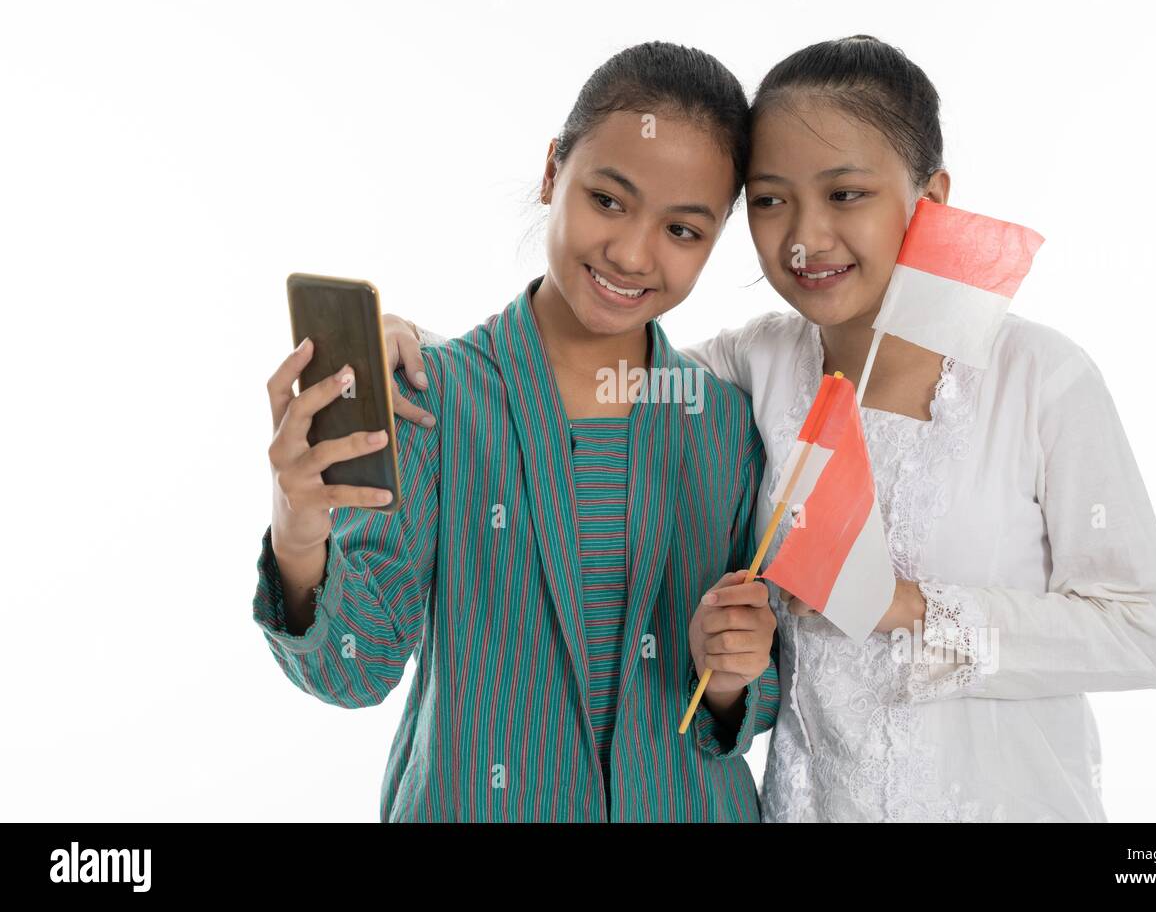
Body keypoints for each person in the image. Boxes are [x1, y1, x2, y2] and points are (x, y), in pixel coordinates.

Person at [389, 35, 1156, 821]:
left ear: (931, 199)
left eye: (846, 195)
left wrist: (906, 608)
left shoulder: (1039, 379)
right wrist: (419, 352)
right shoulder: (755, 367)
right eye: (772, 200)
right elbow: (593, 356)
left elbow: (1152, 636)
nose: (805, 239)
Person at [254, 42, 780, 822]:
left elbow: (746, 702)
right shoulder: (431, 400)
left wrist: (735, 676)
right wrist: (299, 537)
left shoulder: (724, 424)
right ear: (551, 172)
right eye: (607, 199)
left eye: (683, 231)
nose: (632, 253)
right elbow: (352, 672)